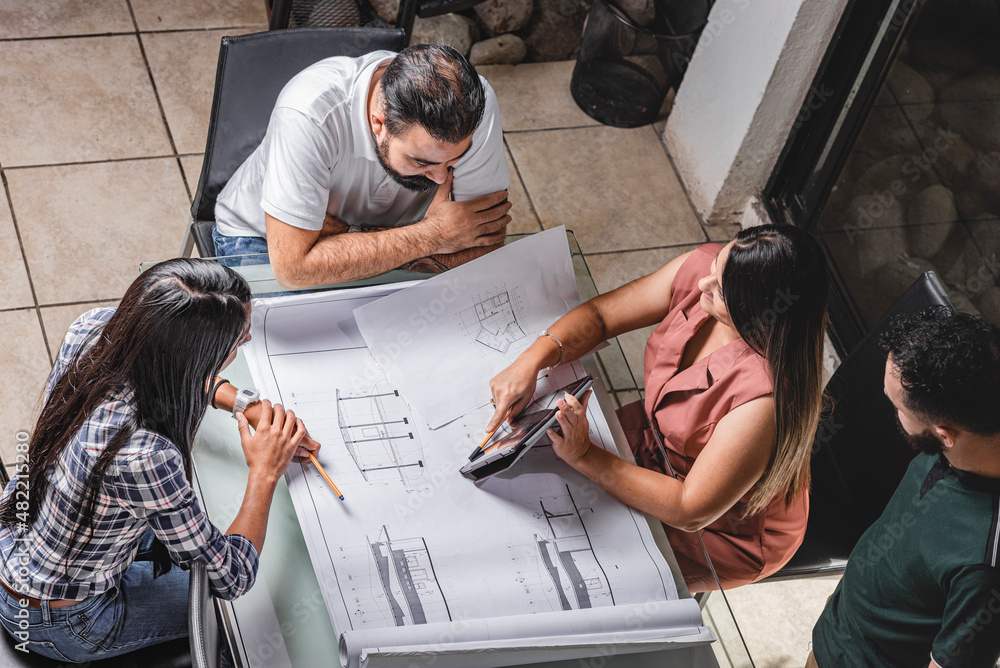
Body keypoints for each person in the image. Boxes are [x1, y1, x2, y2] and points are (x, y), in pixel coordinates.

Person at [0, 259, 318, 662]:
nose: (249, 338)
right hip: (60, 619)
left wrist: (244, 404)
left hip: (17, 544)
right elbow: (230, 576)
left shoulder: (93, 328)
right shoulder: (145, 456)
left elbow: (165, 364)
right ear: (197, 356)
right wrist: (265, 471)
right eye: (238, 340)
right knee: (247, 618)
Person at [488, 224, 829, 592]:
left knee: (570, 567)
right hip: (651, 439)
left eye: (721, 289)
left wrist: (585, 454)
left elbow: (689, 509)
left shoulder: (765, 402)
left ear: (759, 313)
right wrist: (532, 360)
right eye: (716, 265)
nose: (703, 283)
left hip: (719, 528)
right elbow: (602, 317)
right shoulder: (704, 274)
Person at [213, 42, 512, 286]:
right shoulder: (309, 113)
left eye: (455, 160)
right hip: (259, 238)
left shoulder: (475, 109)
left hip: (387, 234)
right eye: (421, 161)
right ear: (379, 123)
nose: (439, 178)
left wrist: (350, 242)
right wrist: (433, 236)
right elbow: (293, 270)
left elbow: (485, 245)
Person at [810, 307, 1000, 668]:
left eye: (898, 407)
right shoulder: (966, 435)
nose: (893, 412)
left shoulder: (984, 566)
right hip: (837, 628)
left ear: (945, 434)